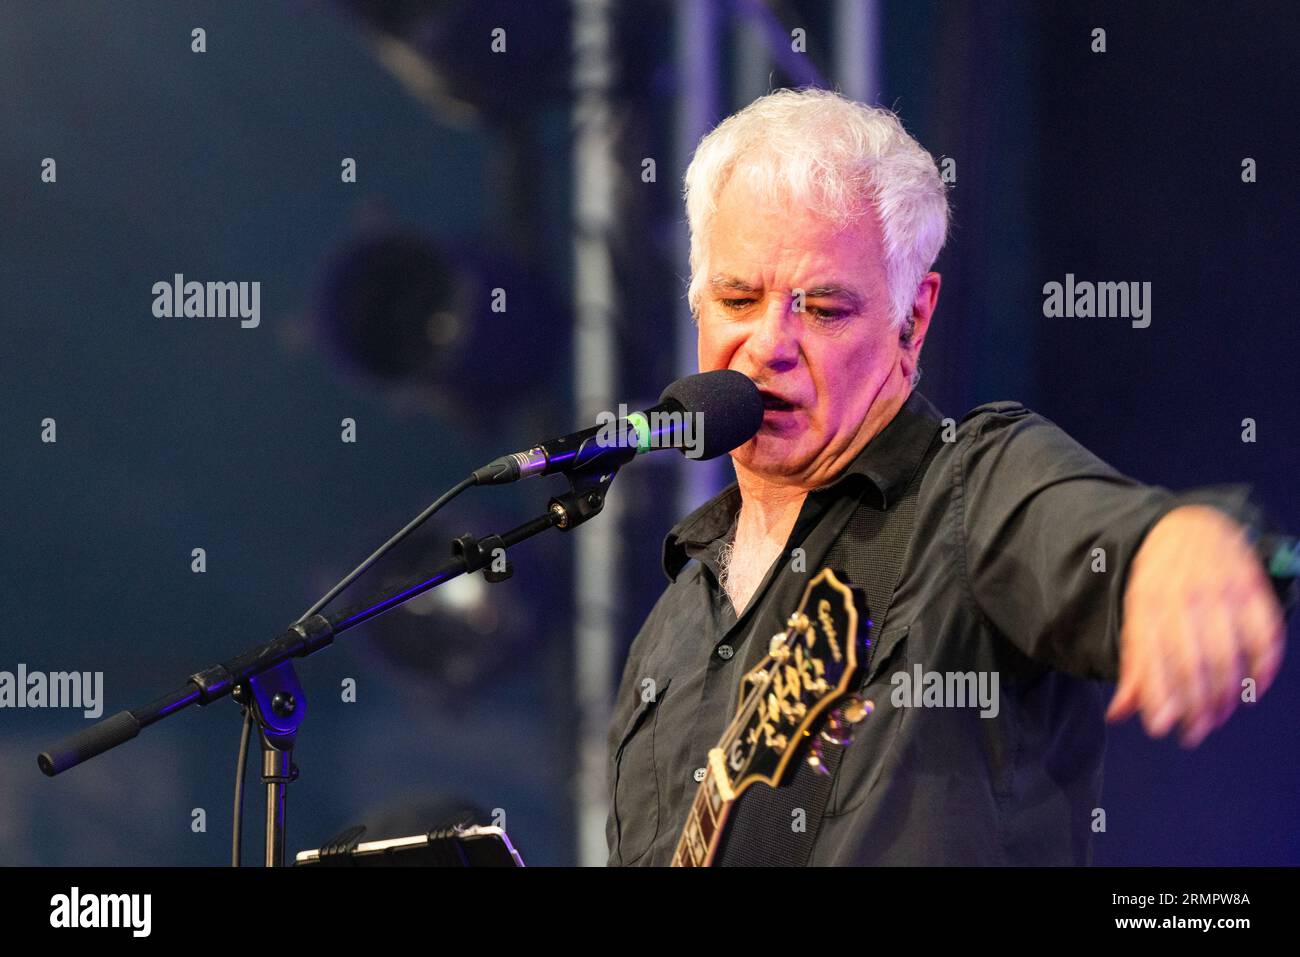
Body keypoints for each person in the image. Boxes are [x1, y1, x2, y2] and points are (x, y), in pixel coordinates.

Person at [605, 88, 1287, 866]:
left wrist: (1180, 543)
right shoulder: (668, 638)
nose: (770, 343)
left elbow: (1101, 532)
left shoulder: (969, 489)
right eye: (736, 298)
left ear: (911, 320)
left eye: (824, 308)